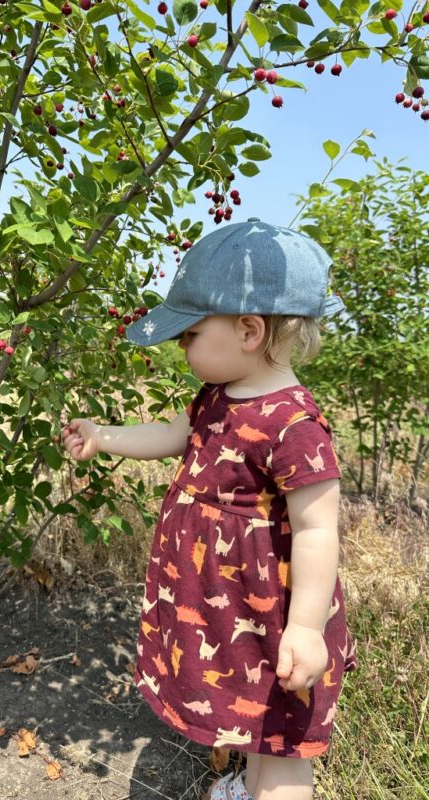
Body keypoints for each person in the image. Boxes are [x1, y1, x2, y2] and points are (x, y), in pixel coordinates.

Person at [62, 218, 357, 800]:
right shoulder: (216, 396)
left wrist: (303, 627)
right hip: (225, 607)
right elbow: (174, 433)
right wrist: (104, 435)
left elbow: (318, 529)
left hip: (269, 612)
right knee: (251, 715)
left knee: (282, 742)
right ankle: (247, 785)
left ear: (248, 330)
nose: (182, 346)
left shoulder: (293, 424)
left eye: (189, 334)